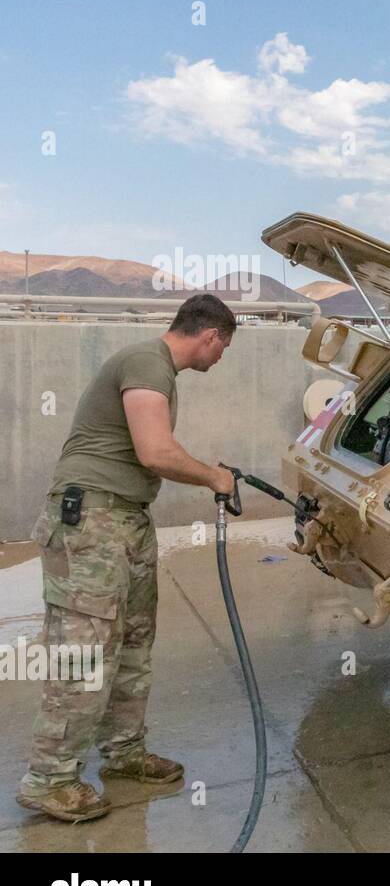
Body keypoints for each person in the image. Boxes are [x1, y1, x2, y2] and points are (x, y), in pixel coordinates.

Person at [17, 293, 238, 822]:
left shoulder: (156, 369)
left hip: (125, 521)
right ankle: (49, 779)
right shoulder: (146, 361)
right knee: (84, 651)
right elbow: (155, 451)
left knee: (133, 643)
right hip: (91, 524)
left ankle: (123, 753)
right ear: (209, 336)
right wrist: (214, 476)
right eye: (224, 347)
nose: (221, 357)